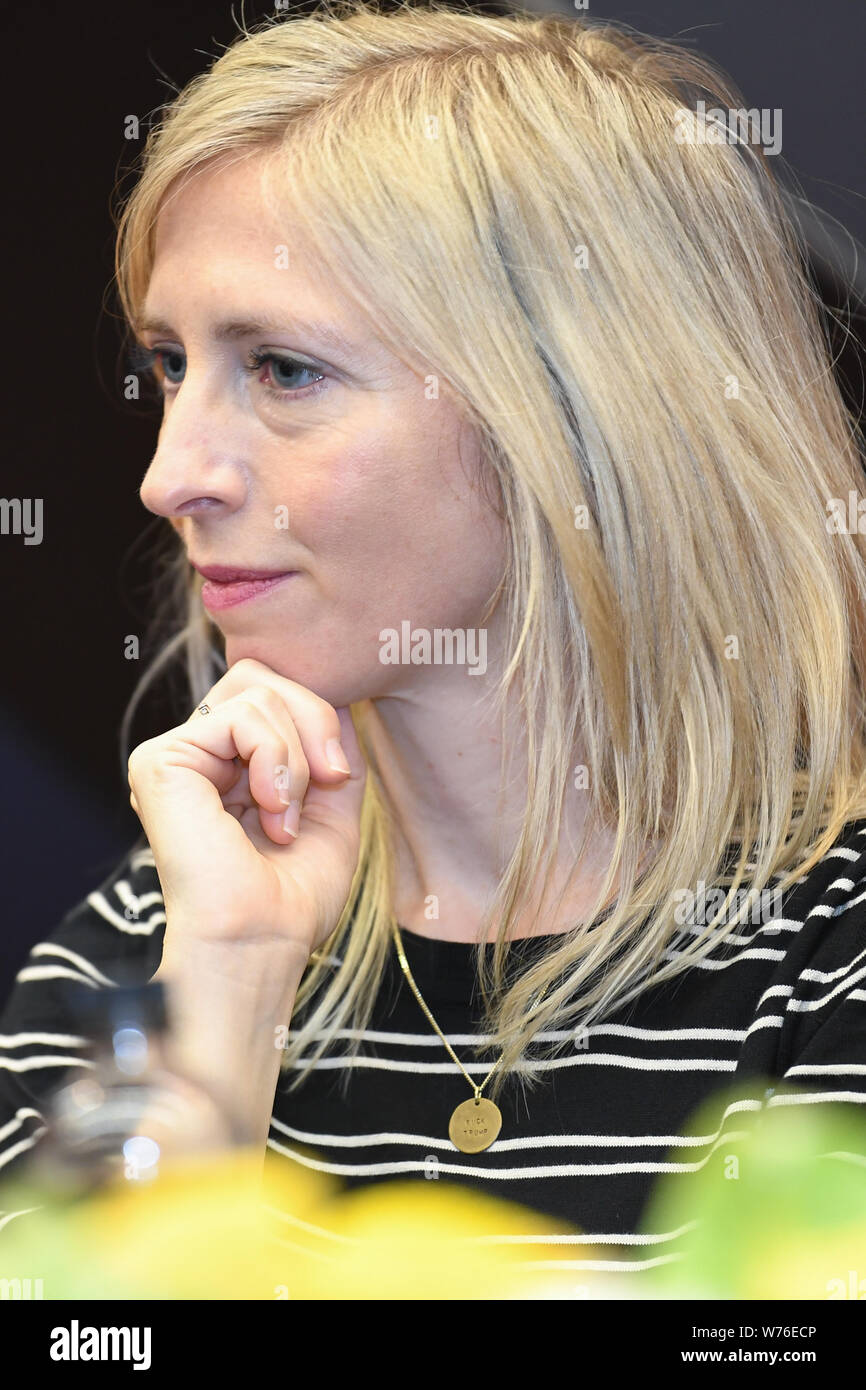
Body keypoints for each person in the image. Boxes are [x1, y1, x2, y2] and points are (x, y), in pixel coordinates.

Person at [2, 2, 866, 1289]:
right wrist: (224, 1003)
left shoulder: (826, 953)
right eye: (173, 364)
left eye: (284, 370)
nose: (169, 472)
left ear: (578, 411)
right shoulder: (145, 941)